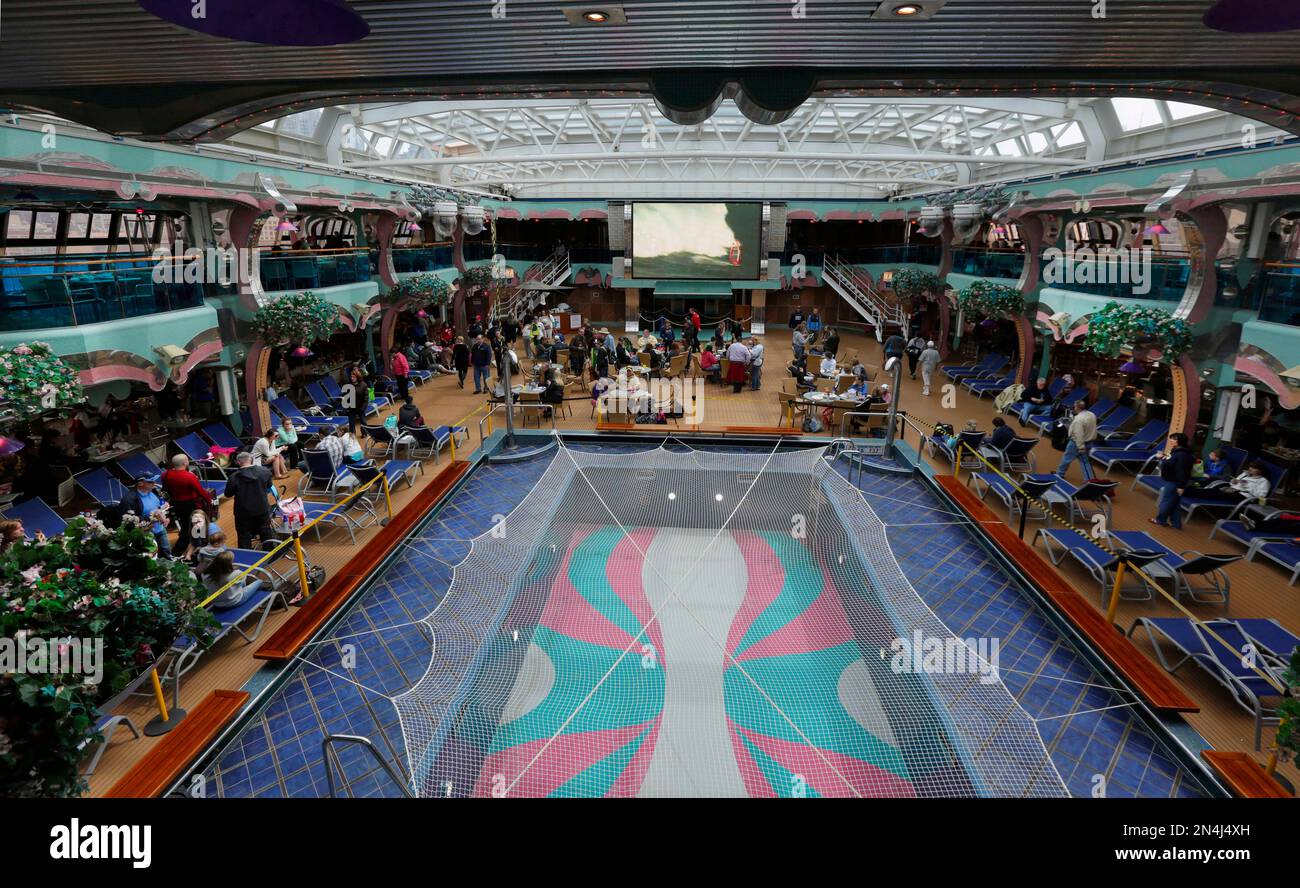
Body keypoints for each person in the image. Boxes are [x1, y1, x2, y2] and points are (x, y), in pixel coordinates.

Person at [161, 454, 214, 560]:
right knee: (198, 528)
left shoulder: (165, 474)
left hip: (176, 504)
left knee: (185, 527)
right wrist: (210, 502)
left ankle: (179, 550)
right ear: (185, 463)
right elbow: (201, 493)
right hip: (191, 505)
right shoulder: (189, 477)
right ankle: (196, 550)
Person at [224, 452, 276, 550]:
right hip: (262, 508)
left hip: (243, 512)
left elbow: (228, 494)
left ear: (238, 462)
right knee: (265, 531)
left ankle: (246, 558)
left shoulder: (233, 477)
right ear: (251, 459)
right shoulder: (264, 471)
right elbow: (269, 486)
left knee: (244, 536)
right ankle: (269, 554)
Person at [120, 474, 172, 558]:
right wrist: (151, 516)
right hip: (146, 533)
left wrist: (163, 509)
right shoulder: (129, 499)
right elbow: (129, 520)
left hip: (160, 528)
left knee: (166, 553)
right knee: (152, 557)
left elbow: (159, 507)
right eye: (150, 481)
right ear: (140, 483)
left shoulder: (153, 491)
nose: (154, 483)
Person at [1151, 434, 1195, 529]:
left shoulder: (1182, 455)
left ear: (1180, 441)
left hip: (1175, 482)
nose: (1171, 440)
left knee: (1166, 502)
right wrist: (1164, 457)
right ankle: (1176, 524)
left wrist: (1181, 486)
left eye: (1174, 439)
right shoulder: (1177, 452)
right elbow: (1172, 463)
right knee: (1175, 504)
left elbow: (1181, 471)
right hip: (1173, 480)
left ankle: (1160, 520)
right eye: (1171, 438)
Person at [1179, 461, 1272, 505]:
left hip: (1242, 496)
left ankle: (1186, 492)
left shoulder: (1264, 482)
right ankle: (1189, 489)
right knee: (1212, 485)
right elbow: (1233, 482)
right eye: (1250, 467)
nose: (1250, 469)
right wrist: (1234, 481)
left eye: (1254, 468)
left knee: (1215, 492)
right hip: (1231, 488)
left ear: (1260, 471)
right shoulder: (1245, 474)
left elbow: (1261, 496)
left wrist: (1246, 485)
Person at [1055, 400, 1097, 482]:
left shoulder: (1078, 420)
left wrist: (1080, 447)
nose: (1073, 407)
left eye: (1074, 406)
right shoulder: (1092, 414)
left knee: (1066, 459)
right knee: (1085, 462)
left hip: (1076, 443)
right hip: (1089, 442)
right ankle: (1089, 480)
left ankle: (1059, 474)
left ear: (1077, 407)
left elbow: (1078, 435)